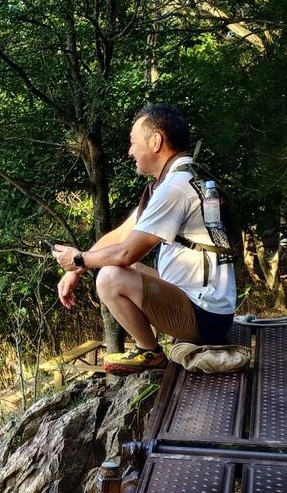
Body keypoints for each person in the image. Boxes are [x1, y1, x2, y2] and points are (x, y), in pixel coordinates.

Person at [50, 104, 237, 374]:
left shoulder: (174, 188)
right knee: (126, 270)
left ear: (156, 141)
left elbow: (127, 252)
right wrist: (76, 271)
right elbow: (121, 234)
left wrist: (79, 259)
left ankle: (149, 352)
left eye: (133, 143)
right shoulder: (182, 178)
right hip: (209, 308)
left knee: (110, 277)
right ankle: (151, 349)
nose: (130, 152)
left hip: (204, 317)